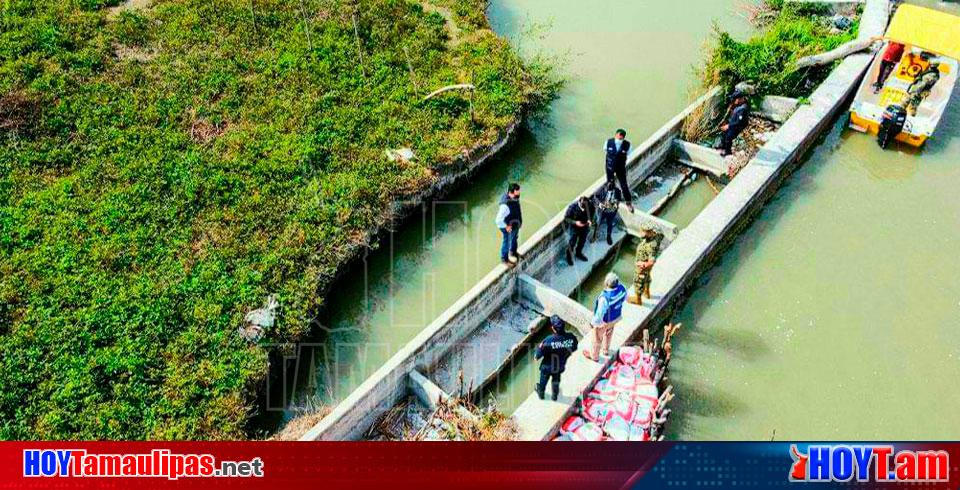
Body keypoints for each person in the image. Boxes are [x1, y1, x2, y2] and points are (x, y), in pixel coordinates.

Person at [534, 315, 578, 401]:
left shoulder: (548, 340)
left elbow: (536, 357)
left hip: (547, 367)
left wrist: (539, 347)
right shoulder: (571, 337)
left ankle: (541, 394)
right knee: (556, 380)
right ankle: (554, 396)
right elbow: (574, 348)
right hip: (560, 366)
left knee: (543, 381)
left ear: (553, 328)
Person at [585, 272, 627, 362]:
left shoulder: (604, 298)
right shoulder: (622, 289)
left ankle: (594, 356)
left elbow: (599, 314)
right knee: (609, 332)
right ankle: (605, 350)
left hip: (605, 321)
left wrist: (593, 324)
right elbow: (624, 299)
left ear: (606, 283)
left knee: (596, 337)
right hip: (616, 317)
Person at [630, 226, 663, 305]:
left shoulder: (650, 246)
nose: (640, 232)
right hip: (646, 268)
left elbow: (651, 261)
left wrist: (643, 265)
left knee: (638, 281)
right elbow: (661, 234)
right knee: (647, 277)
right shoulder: (656, 237)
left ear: (648, 233)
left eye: (643, 231)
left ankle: (638, 299)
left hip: (643, 266)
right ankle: (646, 293)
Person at [604, 129, 634, 213]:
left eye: (620, 138)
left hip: (620, 168)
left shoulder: (627, 145)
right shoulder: (608, 142)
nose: (617, 139)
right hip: (609, 167)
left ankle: (628, 203)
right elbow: (605, 151)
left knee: (624, 185)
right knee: (610, 184)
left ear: (623, 137)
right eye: (616, 136)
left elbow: (629, 154)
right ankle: (609, 200)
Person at [495, 183, 522, 266]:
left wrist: (519, 221)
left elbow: (517, 209)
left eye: (519, 194)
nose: (518, 196)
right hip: (507, 226)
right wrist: (506, 226)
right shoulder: (505, 205)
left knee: (514, 238)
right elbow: (498, 220)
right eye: (516, 195)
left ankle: (513, 252)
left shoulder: (514, 197)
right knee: (507, 241)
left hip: (514, 223)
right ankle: (504, 259)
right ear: (510, 193)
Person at [718, 91, 750, 157]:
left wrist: (728, 126)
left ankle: (728, 152)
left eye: (735, 99)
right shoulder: (739, 105)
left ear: (740, 99)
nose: (733, 101)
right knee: (723, 133)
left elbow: (739, 122)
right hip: (733, 123)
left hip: (739, 126)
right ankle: (722, 146)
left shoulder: (743, 109)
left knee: (729, 136)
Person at [564, 196, 593, 265]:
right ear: (579, 202)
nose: (584, 209)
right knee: (572, 243)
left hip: (584, 226)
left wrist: (590, 220)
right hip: (575, 228)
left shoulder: (589, 205)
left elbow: (592, 211)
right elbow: (566, 218)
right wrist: (575, 222)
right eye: (582, 207)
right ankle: (569, 257)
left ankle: (578, 253)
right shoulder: (572, 207)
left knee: (582, 241)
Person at [593, 179, 623, 245]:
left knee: (610, 224)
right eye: (608, 187)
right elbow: (595, 197)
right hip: (602, 211)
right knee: (598, 222)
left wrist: (616, 204)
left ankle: (608, 237)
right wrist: (600, 204)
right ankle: (594, 236)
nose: (609, 189)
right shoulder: (602, 189)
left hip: (611, 211)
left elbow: (619, 200)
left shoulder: (617, 191)